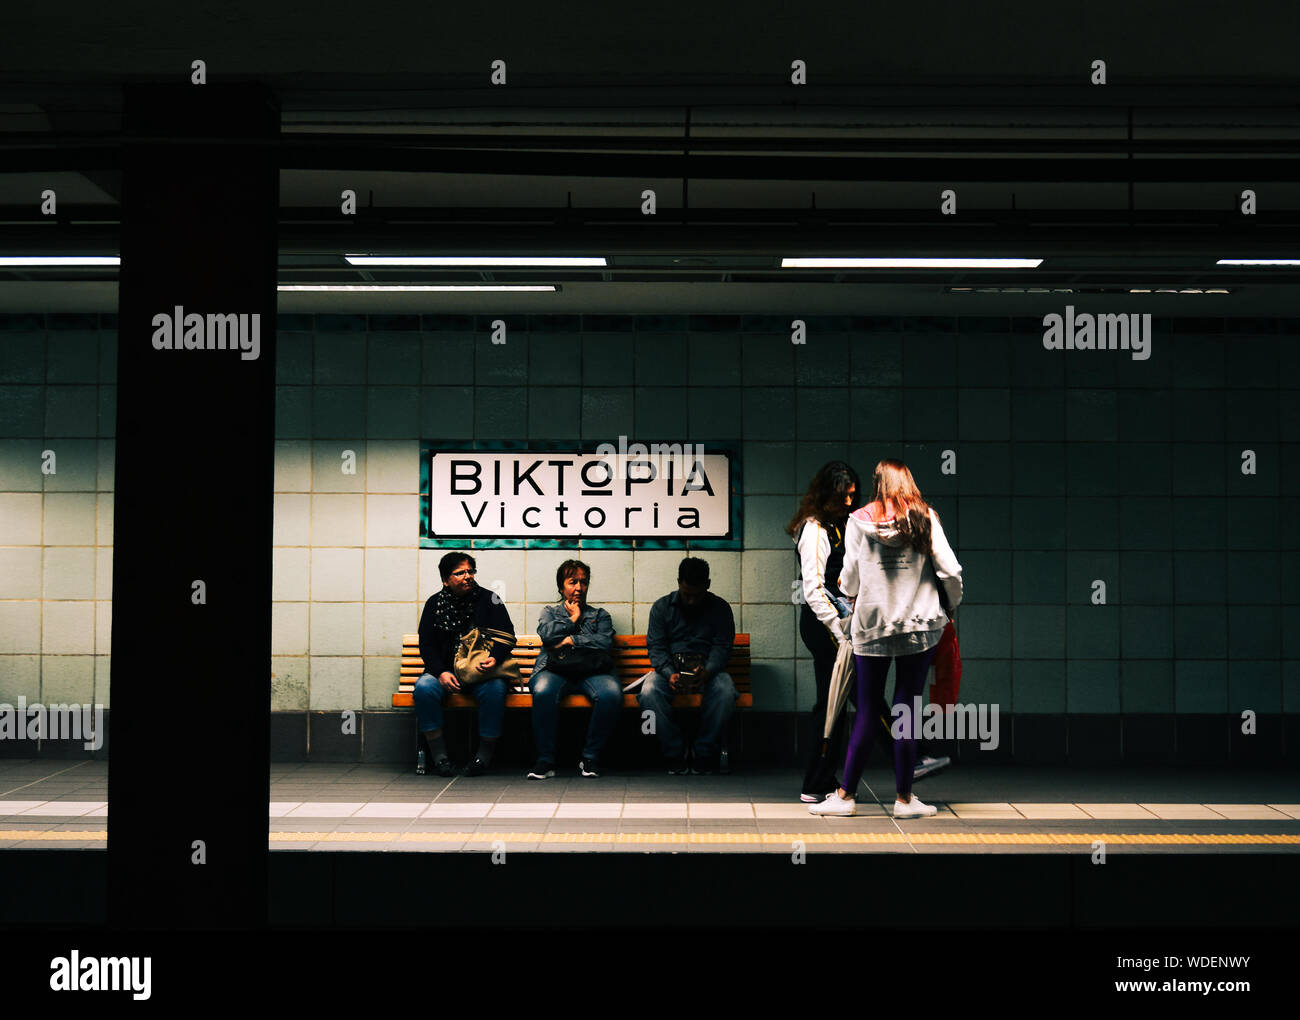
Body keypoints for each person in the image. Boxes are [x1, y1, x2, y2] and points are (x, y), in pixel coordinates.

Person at [810, 459, 963, 819]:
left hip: (872, 624)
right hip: (919, 625)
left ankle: (845, 796)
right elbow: (951, 569)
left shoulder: (858, 521)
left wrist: (852, 592)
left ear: (877, 484)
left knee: (866, 708)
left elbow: (848, 577)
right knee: (906, 708)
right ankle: (905, 800)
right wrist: (950, 604)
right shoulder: (926, 517)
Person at [413, 551, 516, 777]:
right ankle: (440, 758)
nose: (467, 576)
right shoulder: (434, 604)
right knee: (424, 688)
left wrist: (494, 658)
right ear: (445, 580)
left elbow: (507, 635)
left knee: (496, 689)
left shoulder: (490, 599)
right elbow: (427, 645)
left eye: (470, 571)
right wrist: (440, 672)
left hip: (481, 672)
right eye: (459, 573)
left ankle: (483, 757)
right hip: (445, 672)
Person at [638, 557, 738, 774]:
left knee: (725, 690)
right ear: (678, 582)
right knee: (649, 692)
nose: (691, 601)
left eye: (697, 595)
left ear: (708, 585)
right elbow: (656, 647)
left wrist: (708, 670)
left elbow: (722, 646)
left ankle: (704, 752)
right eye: (686, 595)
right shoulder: (662, 608)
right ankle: (675, 753)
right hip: (670, 672)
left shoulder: (720, 608)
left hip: (708, 673)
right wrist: (668, 673)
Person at [527, 559, 621, 779]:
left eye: (583, 582)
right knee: (543, 691)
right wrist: (574, 619)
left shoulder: (600, 615)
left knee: (611, 694)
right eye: (572, 582)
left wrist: (570, 640)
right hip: (555, 670)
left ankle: (590, 759)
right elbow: (547, 635)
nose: (579, 588)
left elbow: (605, 642)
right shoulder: (549, 612)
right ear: (561, 587)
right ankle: (545, 760)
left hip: (592, 672)